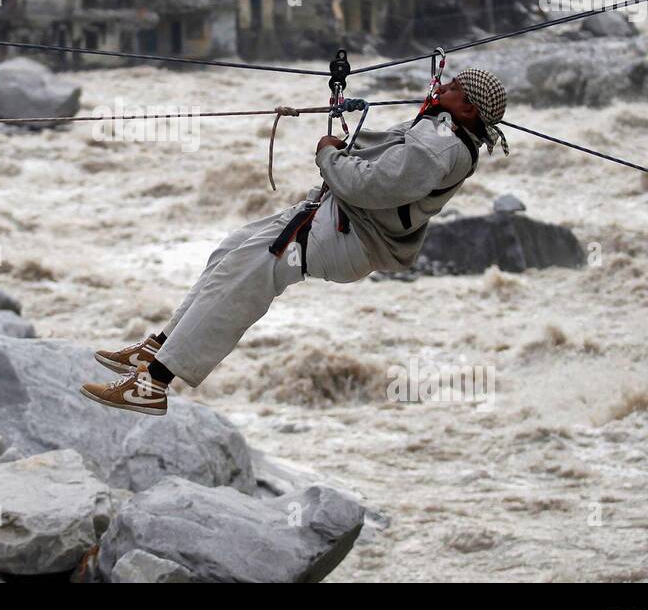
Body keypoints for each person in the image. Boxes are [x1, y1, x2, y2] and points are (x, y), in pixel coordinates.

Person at [79, 68, 509, 415]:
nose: (443, 88)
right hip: (334, 216)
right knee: (231, 252)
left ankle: (154, 382)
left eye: (452, 88)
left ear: (469, 109)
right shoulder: (443, 129)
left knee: (246, 278)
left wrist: (327, 154)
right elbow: (387, 165)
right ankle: (159, 345)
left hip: (347, 234)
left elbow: (373, 186)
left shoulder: (441, 145)